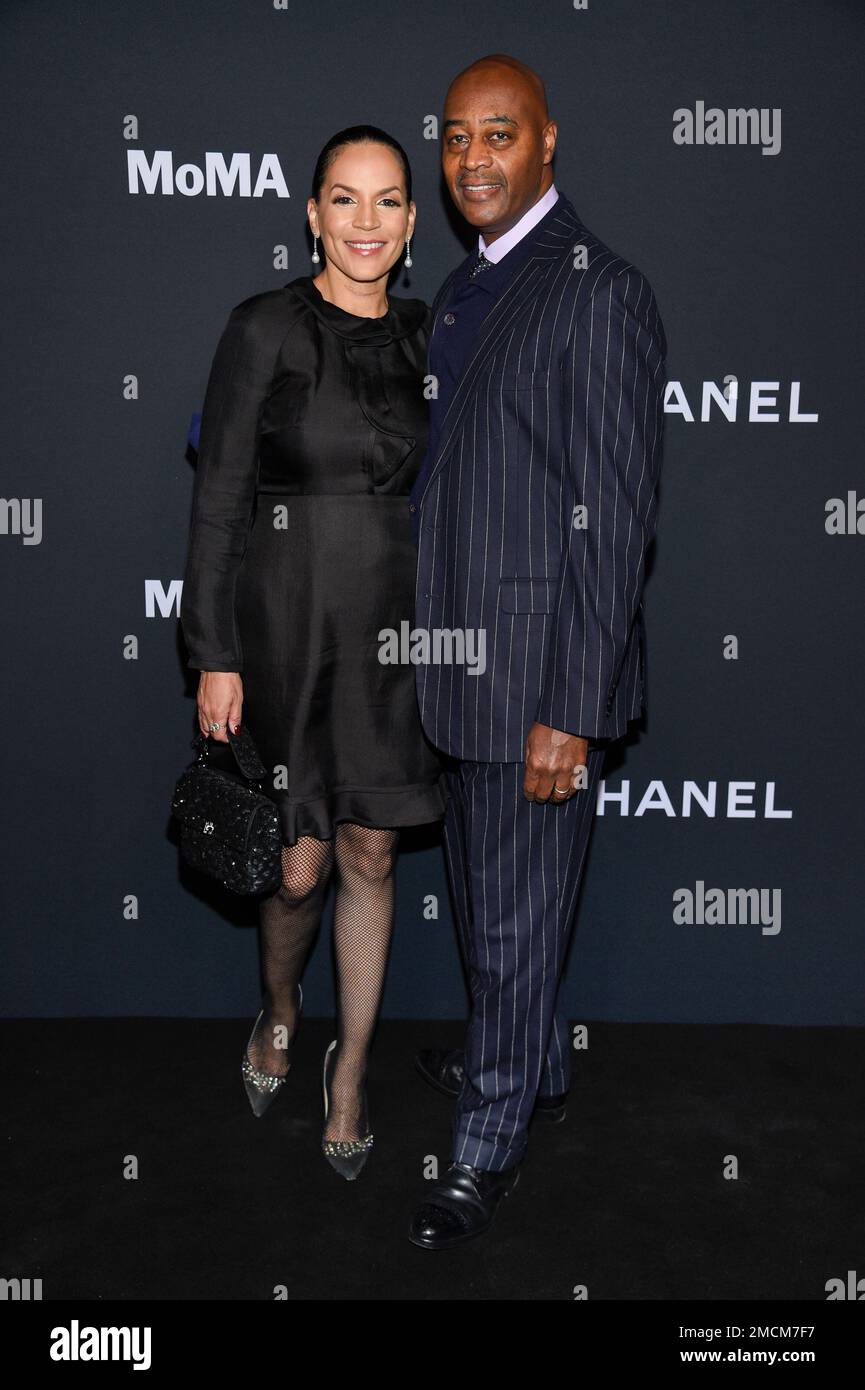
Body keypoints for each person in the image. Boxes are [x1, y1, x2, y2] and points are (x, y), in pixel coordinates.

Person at [406, 55, 668, 1246]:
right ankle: (530, 1071)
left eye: (497, 135)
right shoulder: (469, 285)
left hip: (536, 682)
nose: (471, 159)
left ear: (547, 144)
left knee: (513, 924)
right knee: (484, 905)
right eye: (455, 138)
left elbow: (612, 522)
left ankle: (486, 1142)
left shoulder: (596, 291)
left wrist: (570, 704)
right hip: (459, 668)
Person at [180, 126, 446, 1181]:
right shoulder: (264, 329)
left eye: (388, 202)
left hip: (397, 636)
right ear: (312, 212)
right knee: (294, 872)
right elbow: (216, 502)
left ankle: (351, 1071)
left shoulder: (436, 336)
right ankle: (282, 1007)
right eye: (345, 199)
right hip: (284, 631)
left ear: (414, 221)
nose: (366, 222)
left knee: (372, 855)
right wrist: (214, 652)